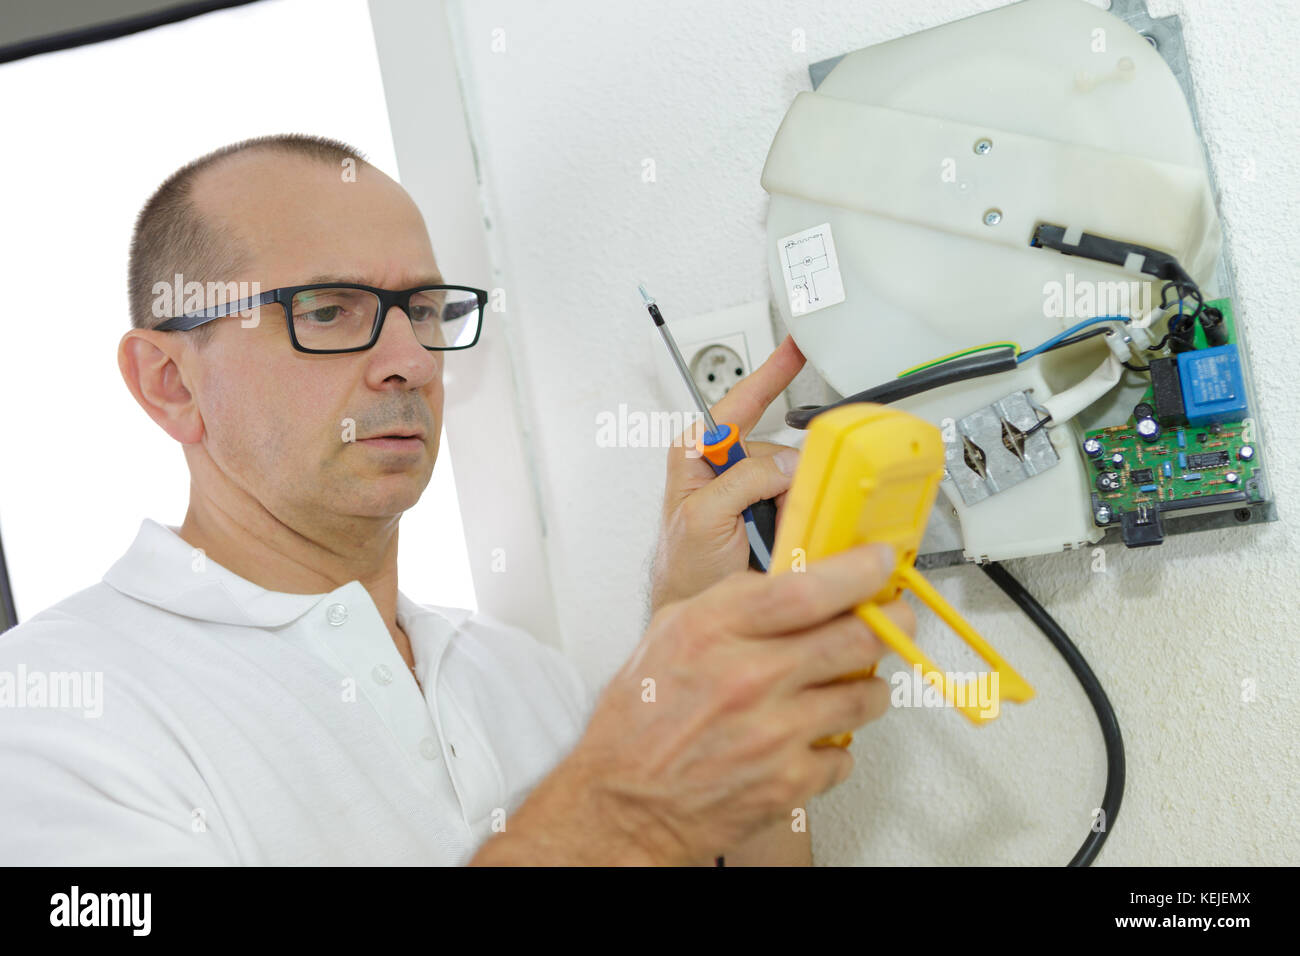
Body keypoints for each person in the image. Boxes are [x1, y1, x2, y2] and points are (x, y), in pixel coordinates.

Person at [0, 134, 913, 865]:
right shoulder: (51, 717)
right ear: (169, 381)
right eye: (327, 310)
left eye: (426, 310)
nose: (412, 361)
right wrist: (619, 810)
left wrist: (713, 633)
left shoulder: (526, 681)